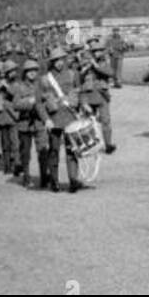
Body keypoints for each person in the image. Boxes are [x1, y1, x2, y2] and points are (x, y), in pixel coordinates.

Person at [40, 45, 84, 192]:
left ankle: (73, 180)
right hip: (54, 119)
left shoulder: (72, 74)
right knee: (54, 150)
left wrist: (83, 106)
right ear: (51, 62)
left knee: (72, 149)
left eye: (61, 59)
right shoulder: (45, 79)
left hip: (70, 117)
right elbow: (39, 103)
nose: (59, 63)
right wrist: (46, 119)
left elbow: (79, 91)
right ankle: (54, 180)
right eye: (56, 60)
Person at [77, 36, 117, 153]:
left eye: (100, 50)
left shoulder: (104, 62)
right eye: (95, 51)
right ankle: (89, 144)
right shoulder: (84, 61)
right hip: (89, 94)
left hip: (102, 94)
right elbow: (79, 77)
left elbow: (110, 73)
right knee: (88, 120)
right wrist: (85, 68)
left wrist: (96, 66)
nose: (98, 53)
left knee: (105, 120)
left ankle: (108, 144)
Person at [13, 58, 48, 188]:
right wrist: (29, 101)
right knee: (25, 153)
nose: (32, 73)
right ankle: (26, 177)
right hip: (24, 123)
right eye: (29, 71)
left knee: (43, 150)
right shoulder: (19, 87)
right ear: (25, 72)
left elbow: (47, 98)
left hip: (39, 122)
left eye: (34, 70)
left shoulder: (41, 85)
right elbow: (15, 105)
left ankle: (44, 177)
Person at [0, 59, 21, 176]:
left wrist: (6, 88)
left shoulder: (17, 84)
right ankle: (7, 165)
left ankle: (17, 164)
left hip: (13, 116)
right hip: (2, 117)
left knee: (15, 143)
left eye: (13, 71)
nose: (12, 73)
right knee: (5, 143)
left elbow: (17, 96)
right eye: (10, 71)